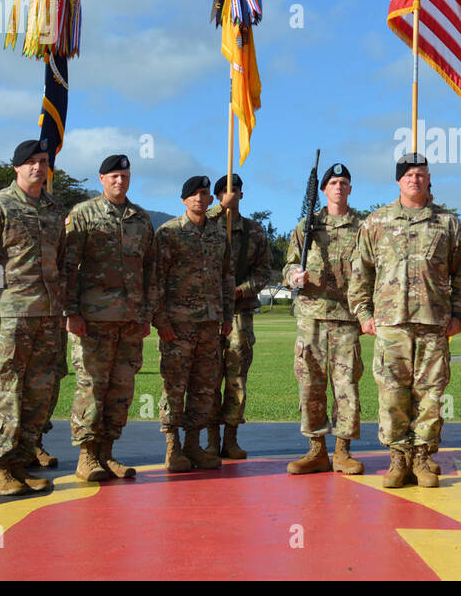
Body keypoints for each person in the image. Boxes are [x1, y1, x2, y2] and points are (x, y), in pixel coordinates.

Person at [349, 153, 461, 489]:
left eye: (421, 175)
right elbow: (360, 272)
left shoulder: (448, 224)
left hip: (434, 323)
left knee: (431, 394)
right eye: (408, 176)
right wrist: (364, 314)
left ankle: (422, 456)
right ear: (398, 181)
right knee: (392, 393)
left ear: (428, 178)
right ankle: (398, 457)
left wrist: (459, 313)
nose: (414, 180)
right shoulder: (376, 222)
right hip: (391, 324)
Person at [0, 139, 66, 496]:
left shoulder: (54, 208)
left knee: (39, 395)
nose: (39, 168)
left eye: (43, 161)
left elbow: (62, 261)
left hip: (47, 315)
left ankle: (21, 463)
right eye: (31, 163)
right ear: (17, 168)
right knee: (8, 392)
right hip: (9, 314)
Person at [62, 154, 156, 481]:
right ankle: (87, 456)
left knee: (122, 388)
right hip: (93, 319)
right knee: (91, 385)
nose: (120, 181)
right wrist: (71, 312)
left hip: (130, 320)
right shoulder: (83, 215)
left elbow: (150, 271)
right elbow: (68, 268)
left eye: (125, 176)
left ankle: (107, 453)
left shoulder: (141, 220)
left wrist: (145, 315)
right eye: (114, 176)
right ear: (101, 179)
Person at [282, 162, 365, 475]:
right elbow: (287, 265)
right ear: (324, 190)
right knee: (310, 386)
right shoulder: (307, 227)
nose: (339, 187)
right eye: (333, 183)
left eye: (344, 182)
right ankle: (316, 449)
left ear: (350, 189)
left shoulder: (363, 226)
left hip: (346, 318)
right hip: (311, 318)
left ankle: (343, 451)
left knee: (346, 386)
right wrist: (294, 276)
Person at [152, 176, 233, 472]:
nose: (199, 198)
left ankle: (193, 445)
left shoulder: (217, 234)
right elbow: (156, 280)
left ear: (210, 200)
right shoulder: (169, 233)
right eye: (193, 194)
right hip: (178, 325)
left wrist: (226, 316)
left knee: (204, 388)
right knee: (175, 386)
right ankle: (172, 447)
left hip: (210, 325)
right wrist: (160, 320)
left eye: (203, 194)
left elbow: (226, 277)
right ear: (184, 200)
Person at [206, 173, 273, 460]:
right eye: (226, 193)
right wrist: (221, 209)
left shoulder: (255, 231)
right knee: (208, 377)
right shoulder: (206, 224)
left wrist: (241, 291)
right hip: (208, 312)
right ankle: (210, 439)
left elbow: (264, 272)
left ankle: (230, 437)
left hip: (239, 313)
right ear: (218, 196)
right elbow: (189, 223)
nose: (233, 197)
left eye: (237, 193)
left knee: (236, 377)